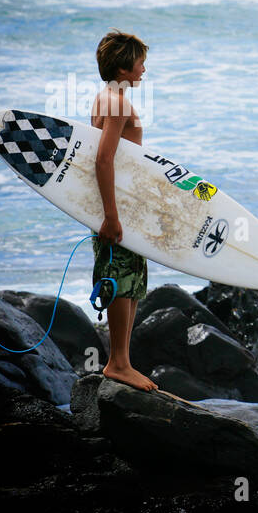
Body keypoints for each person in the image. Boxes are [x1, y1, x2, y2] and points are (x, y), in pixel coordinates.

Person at [90, 29, 157, 391]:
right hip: (117, 207)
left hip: (122, 205)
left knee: (131, 277)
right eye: (140, 61)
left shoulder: (106, 98)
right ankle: (117, 363)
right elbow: (103, 160)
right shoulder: (116, 103)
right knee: (120, 276)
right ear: (123, 65)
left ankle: (123, 361)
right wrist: (111, 214)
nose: (144, 68)